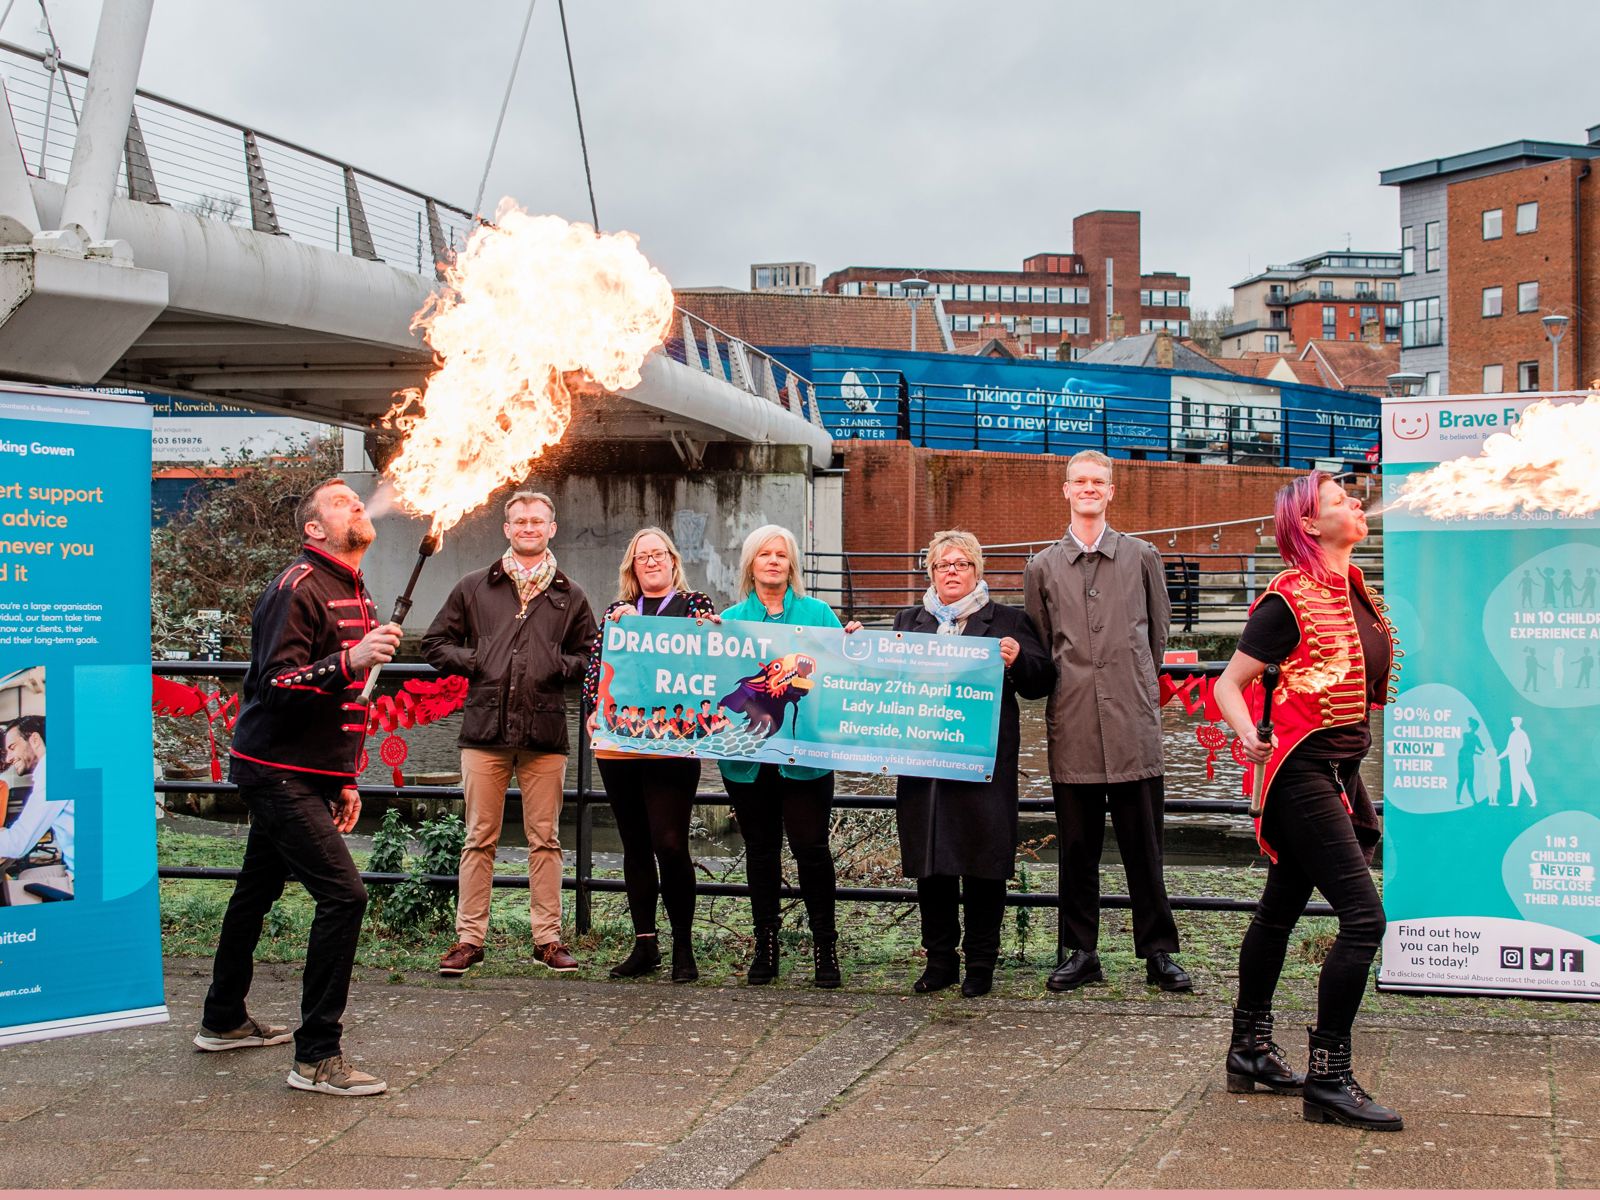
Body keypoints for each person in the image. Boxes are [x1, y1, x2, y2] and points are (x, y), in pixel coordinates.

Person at [199, 478, 400, 1097]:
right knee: (345, 896)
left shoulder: (352, 585)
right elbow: (275, 685)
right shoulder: (297, 587)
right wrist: (353, 658)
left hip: (306, 771)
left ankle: (223, 1018)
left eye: (355, 499)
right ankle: (316, 1056)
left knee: (256, 890)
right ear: (314, 529)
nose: (357, 504)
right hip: (274, 771)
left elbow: (343, 704)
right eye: (341, 502)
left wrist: (342, 776)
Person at [1214, 469, 1402, 1132]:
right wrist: (1247, 735)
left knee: (1279, 909)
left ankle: (1250, 1050)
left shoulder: (1356, 589)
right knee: (1364, 920)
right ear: (1309, 525)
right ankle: (1328, 1079)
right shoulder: (1287, 599)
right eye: (1339, 500)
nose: (1357, 503)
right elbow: (1229, 685)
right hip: (1300, 774)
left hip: (1340, 771)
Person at [1024, 450, 1190, 994]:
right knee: (1077, 849)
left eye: (1099, 481)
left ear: (1111, 491)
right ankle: (1081, 949)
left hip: (1133, 724)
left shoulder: (1141, 556)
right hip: (1073, 726)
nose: (1089, 488)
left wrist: (1136, 683)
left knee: (1145, 846)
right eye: (1080, 481)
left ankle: (1159, 952)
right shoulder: (1042, 566)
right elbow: (1045, 644)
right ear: (1065, 490)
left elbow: (1157, 635)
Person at [424, 490, 598, 977]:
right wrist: (477, 660)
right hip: (484, 731)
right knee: (480, 837)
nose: (528, 527)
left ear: (552, 528)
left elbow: (591, 659)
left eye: (537, 521)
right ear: (506, 529)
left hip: (544, 732)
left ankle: (547, 939)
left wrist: (554, 665)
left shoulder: (571, 594)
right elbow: (437, 643)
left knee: (546, 840)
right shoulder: (475, 587)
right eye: (519, 520)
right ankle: (469, 939)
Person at [894, 531, 1054, 998]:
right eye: (943, 564)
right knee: (932, 864)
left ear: (977, 571)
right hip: (924, 763)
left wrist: (1019, 658)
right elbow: (880, 681)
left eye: (962, 564)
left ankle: (981, 964)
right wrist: (858, 647)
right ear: (930, 573)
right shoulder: (909, 621)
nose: (952, 571)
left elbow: (1042, 680)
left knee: (984, 864)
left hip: (984, 764)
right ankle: (939, 960)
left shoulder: (1006, 620)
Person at [720, 524, 859, 988]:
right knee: (761, 852)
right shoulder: (732, 618)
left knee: (811, 849)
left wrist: (854, 645)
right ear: (751, 565)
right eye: (765, 555)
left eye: (782, 554)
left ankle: (825, 948)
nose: (774, 561)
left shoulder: (819, 615)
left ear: (792, 564)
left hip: (806, 755)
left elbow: (844, 674)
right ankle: (766, 945)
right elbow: (713, 674)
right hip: (749, 758)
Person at [581, 527, 718, 983]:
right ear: (632, 567)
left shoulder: (696, 607)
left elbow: (711, 662)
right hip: (621, 744)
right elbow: (596, 671)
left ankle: (683, 945)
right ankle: (645, 946)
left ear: (673, 561)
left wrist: (716, 639)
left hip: (673, 744)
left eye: (659, 554)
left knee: (670, 843)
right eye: (643, 557)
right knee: (635, 844)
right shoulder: (617, 614)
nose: (652, 562)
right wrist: (590, 713)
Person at [0, 717, 73, 898]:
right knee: (24, 876)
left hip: (84, 883)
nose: (8, 758)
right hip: (81, 869)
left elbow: (17, 844)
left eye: (12, 747)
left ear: (34, 740)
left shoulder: (53, 774)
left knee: (9, 893)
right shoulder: (61, 765)